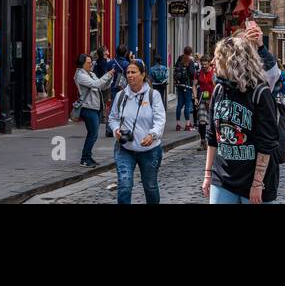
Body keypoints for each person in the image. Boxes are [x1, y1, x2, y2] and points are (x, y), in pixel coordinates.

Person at [201, 35, 281, 203]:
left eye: (219, 58)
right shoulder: (219, 90)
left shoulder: (260, 93)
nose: (213, 63)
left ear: (232, 62)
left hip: (254, 179)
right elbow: (212, 136)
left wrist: (258, 184)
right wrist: (208, 174)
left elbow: (267, 142)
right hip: (222, 177)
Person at [108, 60, 165, 204]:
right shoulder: (121, 96)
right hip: (125, 148)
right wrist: (116, 130)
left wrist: (152, 135)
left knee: (150, 187)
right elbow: (113, 118)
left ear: (143, 75)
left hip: (149, 150)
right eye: (128, 72)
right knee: (124, 186)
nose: (129, 75)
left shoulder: (154, 95)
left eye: (133, 72)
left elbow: (160, 120)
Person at [74, 53, 110, 167]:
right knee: (93, 134)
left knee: (93, 134)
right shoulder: (80, 75)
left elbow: (102, 86)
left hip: (95, 107)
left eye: (91, 62)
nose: (91, 64)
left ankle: (88, 156)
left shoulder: (91, 73)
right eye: (88, 63)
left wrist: (110, 78)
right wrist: (108, 75)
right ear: (82, 64)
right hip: (88, 108)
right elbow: (95, 84)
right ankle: (84, 159)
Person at [172, 47, 197, 132]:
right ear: (190, 52)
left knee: (179, 105)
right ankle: (187, 125)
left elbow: (175, 69)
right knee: (187, 105)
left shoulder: (179, 59)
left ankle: (178, 125)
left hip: (179, 85)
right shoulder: (190, 61)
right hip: (188, 86)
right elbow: (192, 73)